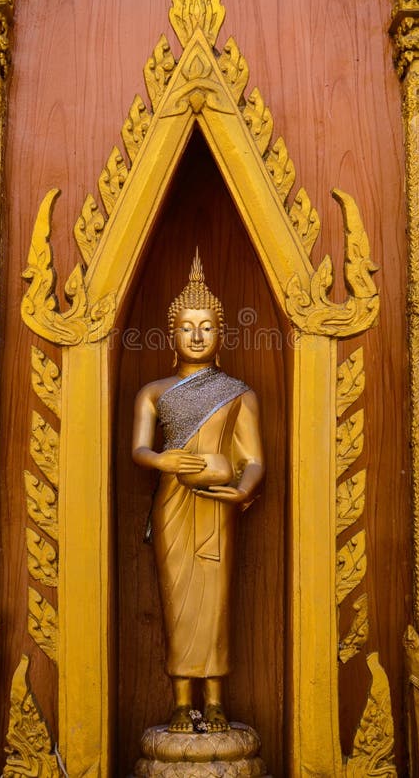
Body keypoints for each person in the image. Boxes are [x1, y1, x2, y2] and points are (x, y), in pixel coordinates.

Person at [132, 251, 264, 733]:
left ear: (220, 333)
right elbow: (140, 450)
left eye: (206, 327)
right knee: (177, 604)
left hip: (217, 507)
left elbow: (254, 459)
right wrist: (162, 459)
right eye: (187, 327)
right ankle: (179, 702)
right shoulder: (152, 391)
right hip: (172, 505)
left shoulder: (238, 394)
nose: (196, 336)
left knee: (215, 605)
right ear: (172, 332)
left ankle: (214, 702)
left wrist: (243, 491)